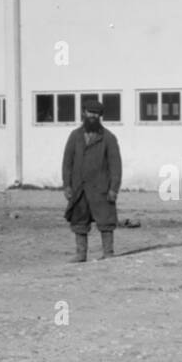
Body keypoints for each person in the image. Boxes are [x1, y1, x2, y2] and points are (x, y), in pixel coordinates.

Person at [62, 99, 122, 262]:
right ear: (84, 113)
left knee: (106, 221)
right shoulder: (75, 136)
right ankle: (81, 254)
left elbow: (116, 166)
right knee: (79, 221)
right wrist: (67, 185)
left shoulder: (109, 138)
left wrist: (113, 189)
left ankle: (108, 252)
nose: (92, 116)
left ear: (100, 116)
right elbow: (67, 163)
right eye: (90, 112)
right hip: (79, 188)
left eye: (96, 113)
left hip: (101, 188)